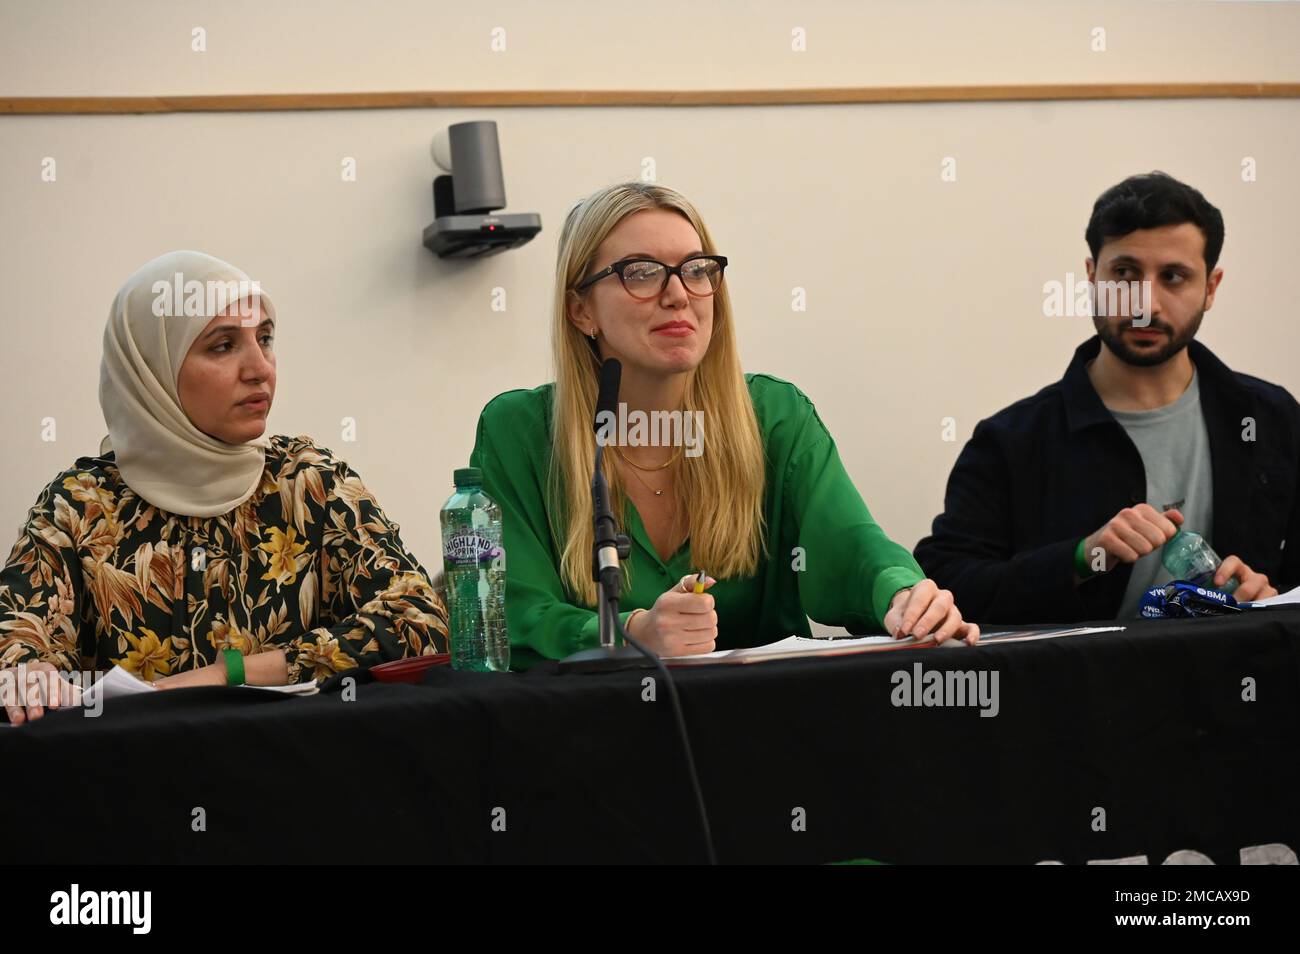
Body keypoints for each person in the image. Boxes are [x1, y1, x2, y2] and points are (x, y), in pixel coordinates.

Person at [470, 182, 979, 665]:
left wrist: (903, 594)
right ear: (581, 310)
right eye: (643, 272)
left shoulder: (775, 414)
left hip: (761, 728)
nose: (679, 295)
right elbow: (507, 616)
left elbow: (853, 548)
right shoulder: (518, 431)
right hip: (588, 733)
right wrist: (628, 633)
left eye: (696, 270)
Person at [0, 251, 448, 723]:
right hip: (129, 784)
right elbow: (19, 647)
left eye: (266, 339)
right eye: (222, 346)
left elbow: (419, 620)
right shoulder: (82, 505)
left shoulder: (307, 482)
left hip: (294, 776)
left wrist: (227, 674)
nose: (260, 369)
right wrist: (28, 670)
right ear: (151, 370)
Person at [915, 172, 1298, 623]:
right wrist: (1081, 558)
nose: (1144, 304)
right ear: (1092, 277)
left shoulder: (1272, 419)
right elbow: (945, 584)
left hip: (1238, 686)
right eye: (1125, 274)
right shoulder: (1011, 441)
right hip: (1080, 690)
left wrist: (1275, 599)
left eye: (1173, 277)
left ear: (1210, 288)